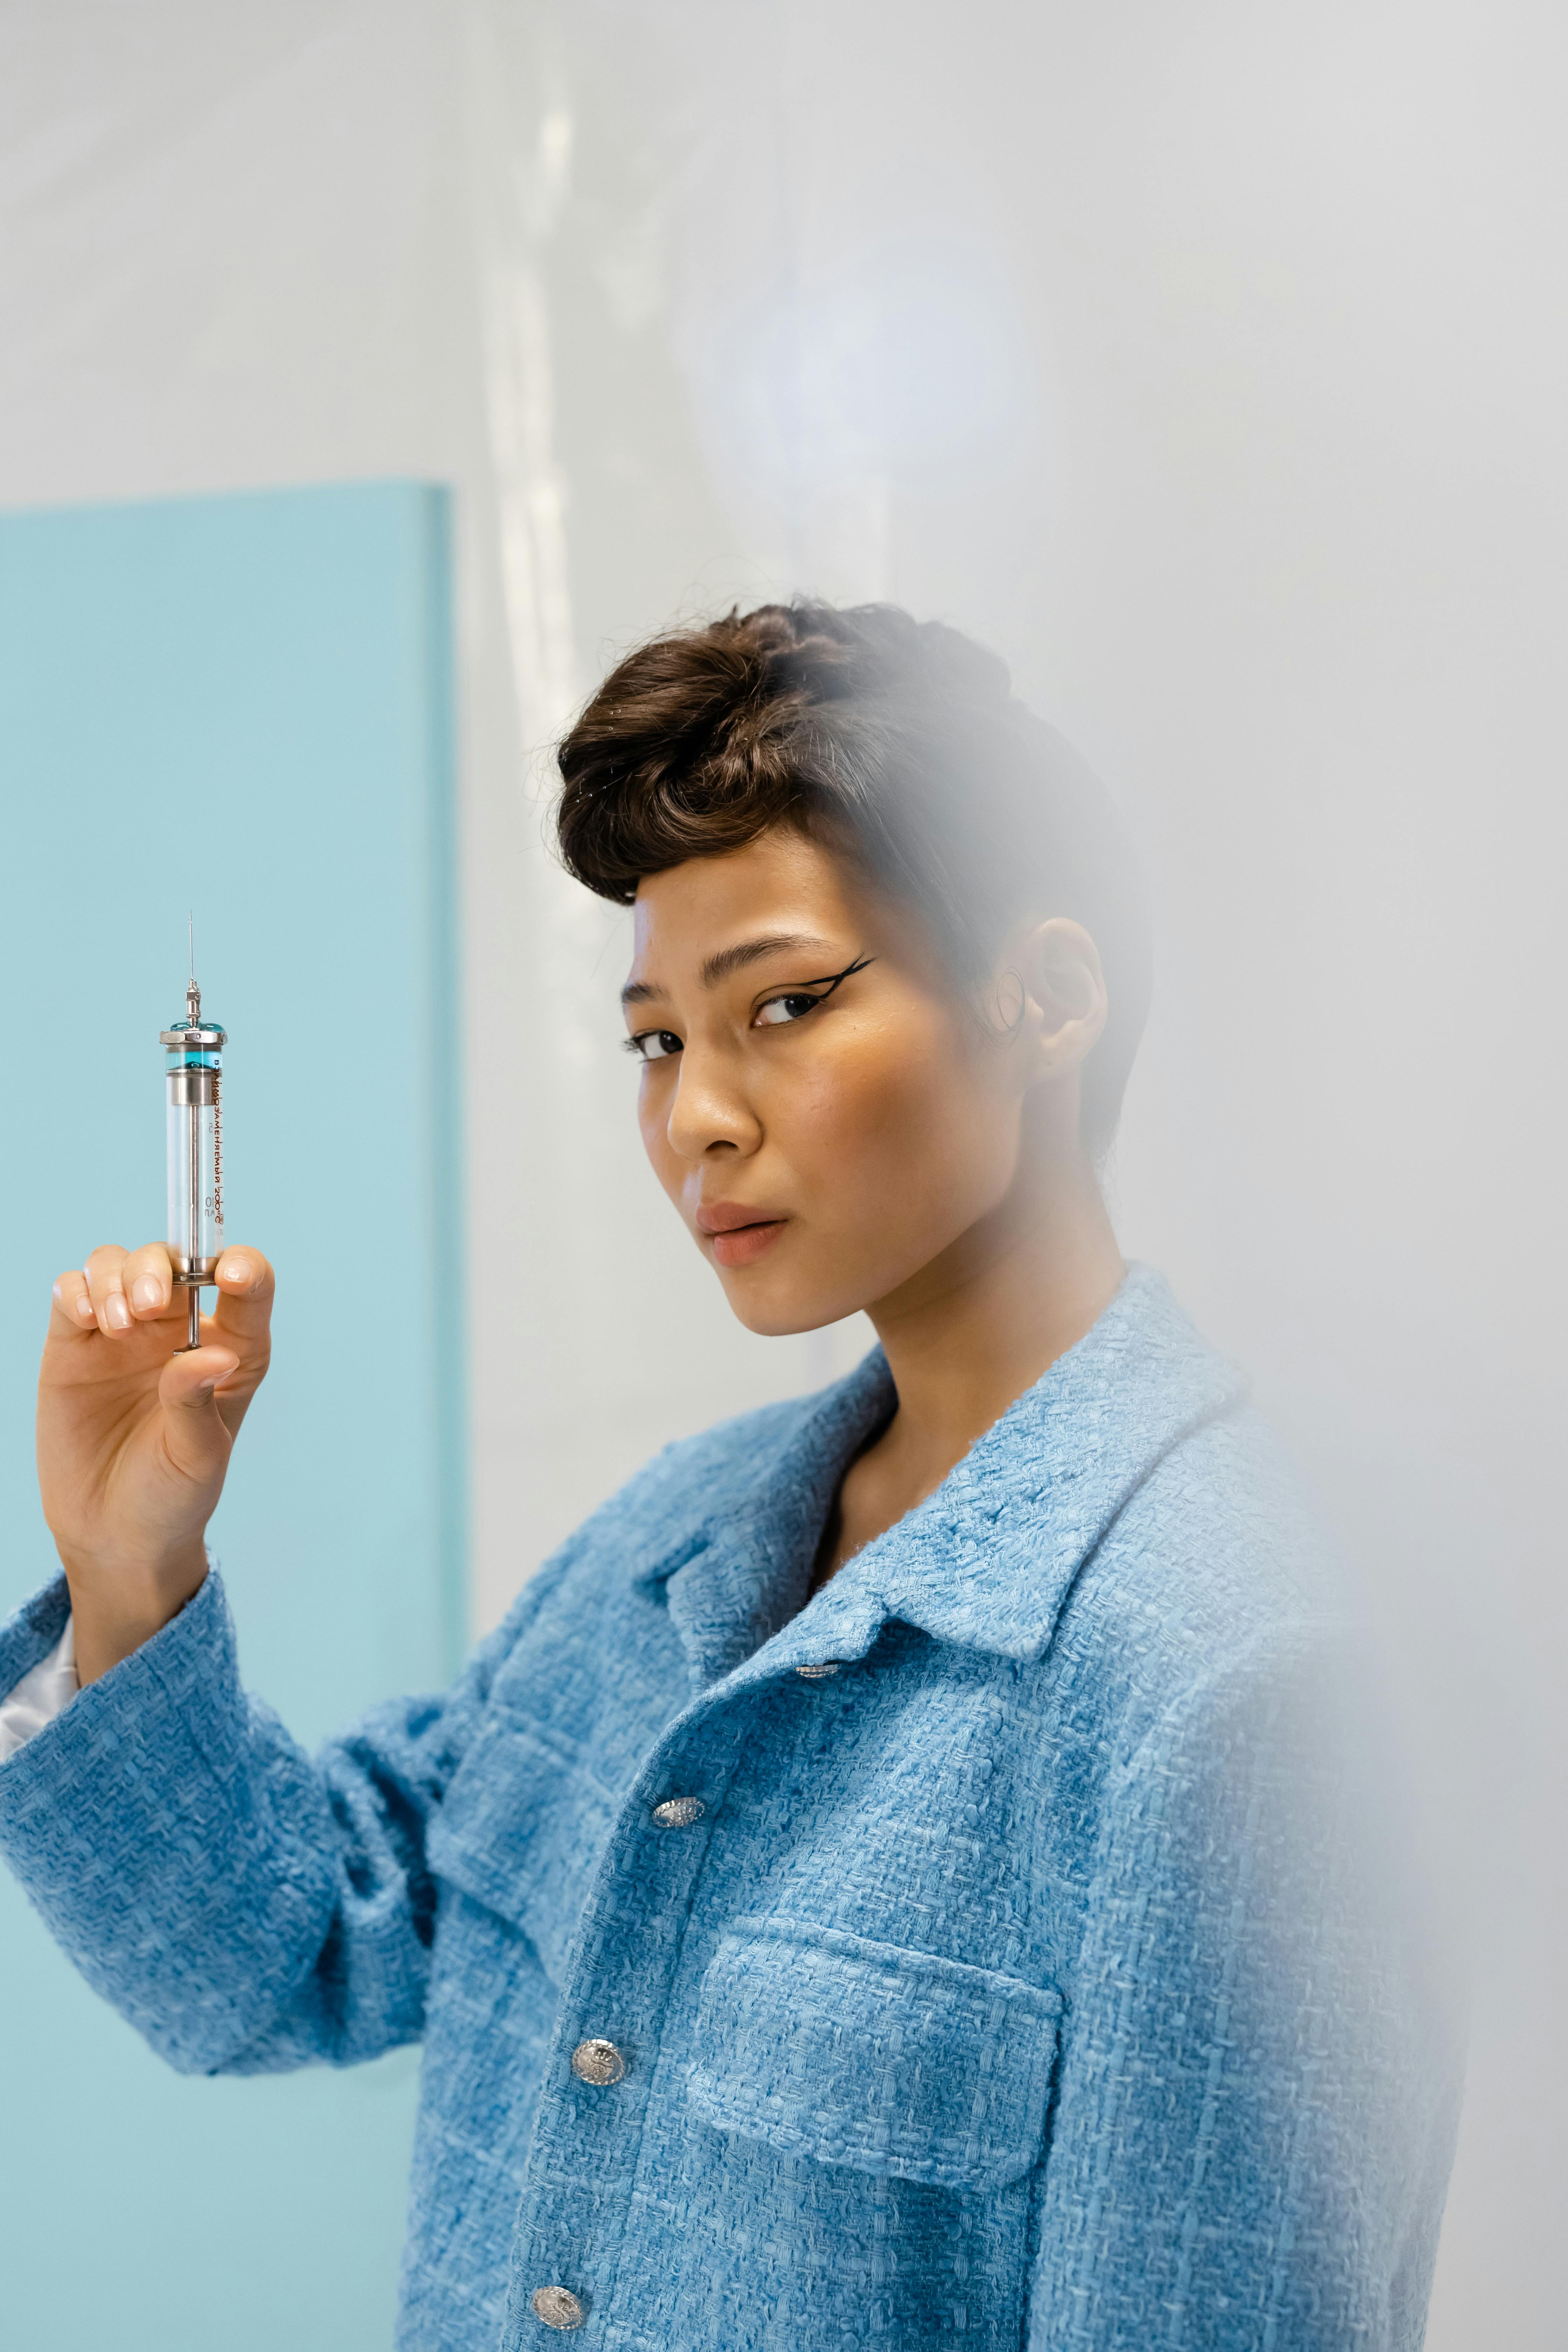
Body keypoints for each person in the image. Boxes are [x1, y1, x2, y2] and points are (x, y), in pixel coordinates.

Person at [0, 602, 1454, 2349]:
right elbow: (295, 1959)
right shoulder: (673, 1540)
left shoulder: (1237, 1672)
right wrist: (125, 1569)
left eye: (783, 1004)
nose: (695, 1115)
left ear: (1044, 998)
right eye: (657, 1040)